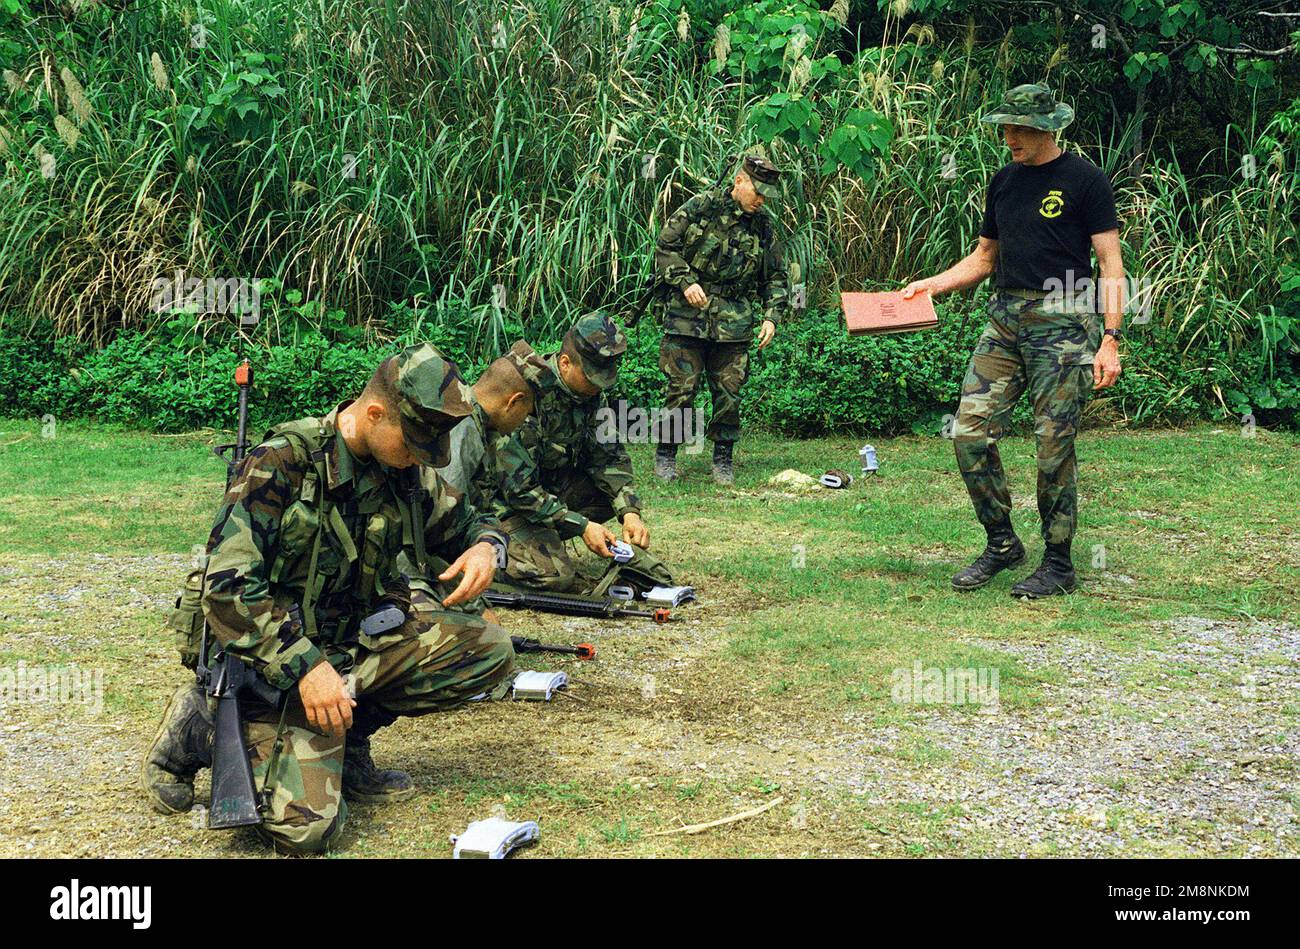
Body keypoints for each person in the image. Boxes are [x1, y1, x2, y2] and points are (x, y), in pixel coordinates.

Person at [141, 344, 514, 853]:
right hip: (274, 667)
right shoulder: (280, 464)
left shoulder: (403, 470)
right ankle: (198, 727)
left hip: (347, 654)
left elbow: (467, 523)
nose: (422, 459)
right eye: (414, 443)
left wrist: (487, 548)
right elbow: (226, 589)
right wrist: (304, 667)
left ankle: (348, 735)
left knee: (486, 647)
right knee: (304, 832)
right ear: (376, 413)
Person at [901, 84, 1125, 598]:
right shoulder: (1002, 181)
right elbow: (984, 258)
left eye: (1019, 128)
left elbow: (1111, 265)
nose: (1009, 138)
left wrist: (1110, 338)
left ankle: (1059, 562)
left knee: (1052, 443)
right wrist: (930, 284)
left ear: (1048, 128)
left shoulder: (1085, 180)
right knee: (968, 431)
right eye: (1005, 127)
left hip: (1065, 320)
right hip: (1005, 319)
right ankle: (1002, 543)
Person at [652, 154, 791, 484]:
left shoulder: (763, 225)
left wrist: (771, 316)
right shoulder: (701, 207)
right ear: (739, 181)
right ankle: (666, 454)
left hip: (735, 319)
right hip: (688, 316)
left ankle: (723, 458)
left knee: (730, 390)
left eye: (766, 196)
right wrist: (686, 282)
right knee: (681, 389)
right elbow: (664, 246)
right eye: (757, 192)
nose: (760, 200)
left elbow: (775, 276)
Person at [492, 313, 652, 592]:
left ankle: (540, 542)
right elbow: (519, 491)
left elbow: (609, 456)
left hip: (547, 493)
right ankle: (482, 551)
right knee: (555, 578)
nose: (597, 387)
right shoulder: (527, 394)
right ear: (565, 363)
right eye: (591, 379)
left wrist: (630, 513)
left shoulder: (589, 394)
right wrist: (581, 525)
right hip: (502, 504)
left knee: (610, 496)